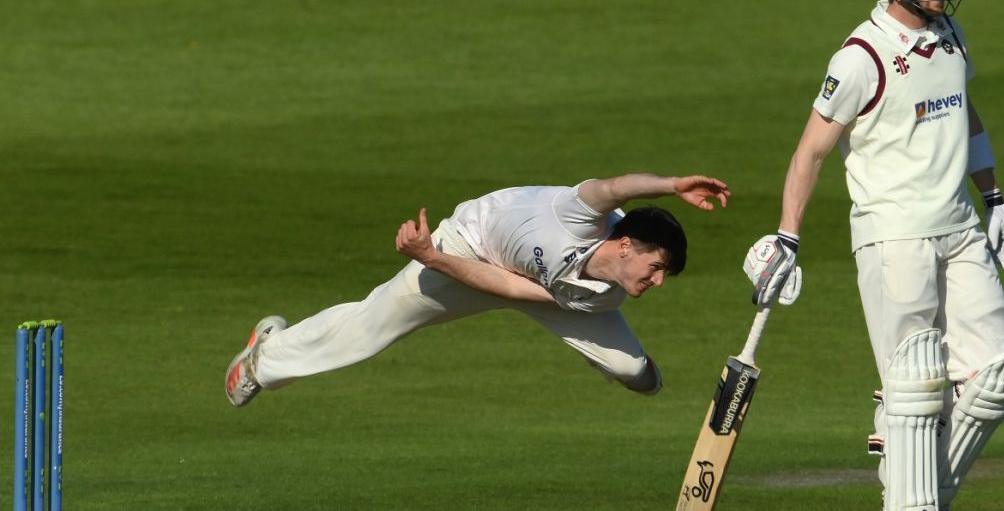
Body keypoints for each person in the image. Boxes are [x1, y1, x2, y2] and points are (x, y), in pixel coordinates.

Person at [746, 0, 1004, 511]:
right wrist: (787, 236)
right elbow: (811, 151)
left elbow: (968, 112)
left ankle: (930, 502)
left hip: (959, 224)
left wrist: (993, 195)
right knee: (914, 385)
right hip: (893, 232)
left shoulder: (949, 34)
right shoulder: (861, 56)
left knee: (992, 374)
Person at [225, 173, 731, 408]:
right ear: (623, 244)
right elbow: (615, 188)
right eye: (656, 266)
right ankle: (262, 358)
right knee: (371, 327)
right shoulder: (577, 215)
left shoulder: (608, 294)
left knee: (633, 372)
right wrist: (671, 185)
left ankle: (664, 384)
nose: (658, 282)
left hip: (528, 283)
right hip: (466, 244)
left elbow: (514, 292)